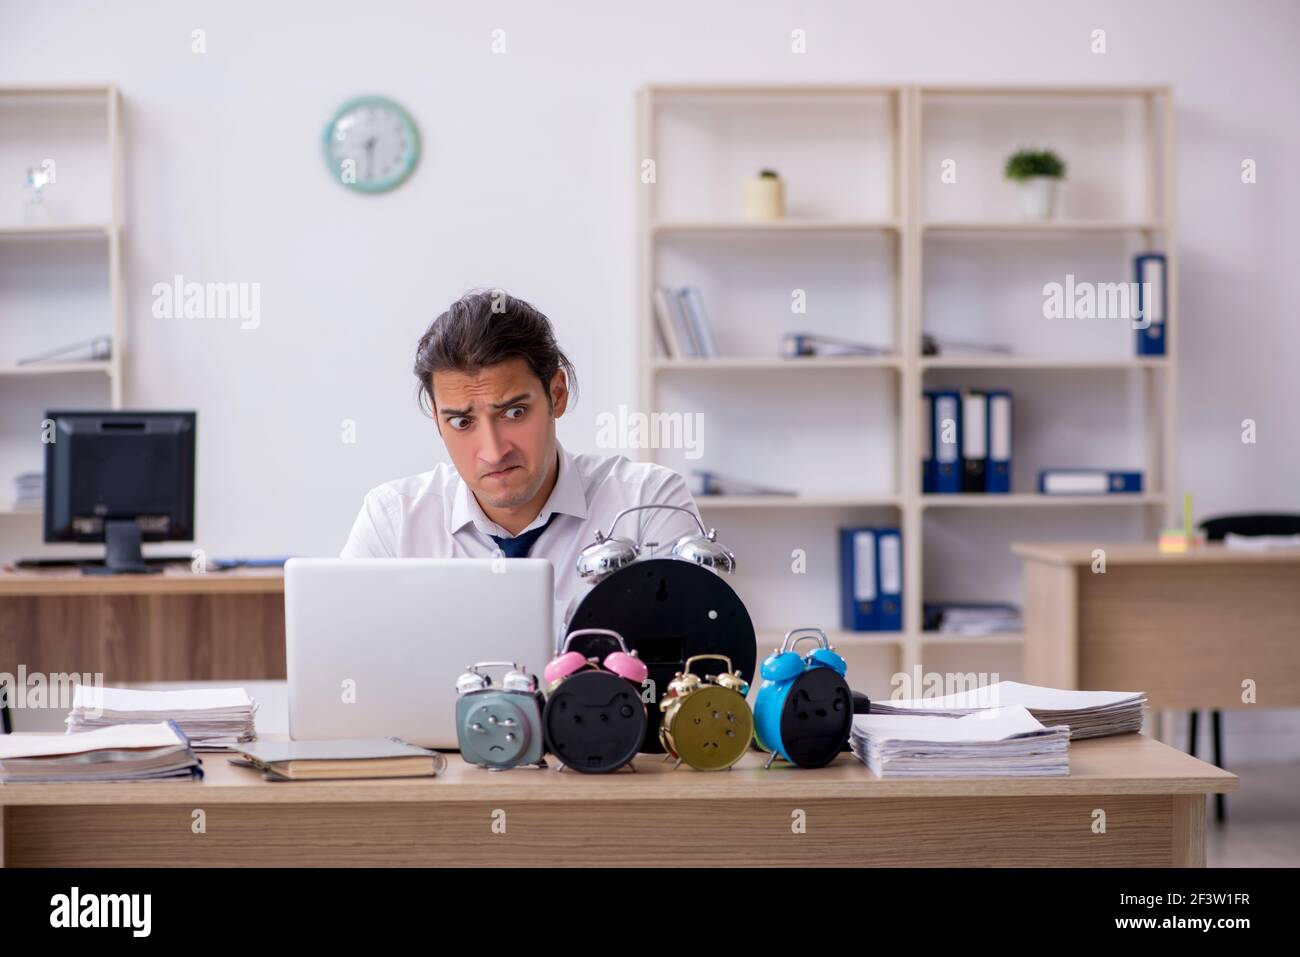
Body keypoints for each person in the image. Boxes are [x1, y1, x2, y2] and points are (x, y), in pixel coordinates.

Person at [341, 289, 703, 645]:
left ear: (556, 395)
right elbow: (345, 663)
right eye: (462, 423)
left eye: (514, 412)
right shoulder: (392, 521)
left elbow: (699, 675)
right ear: (437, 419)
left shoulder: (647, 504)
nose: (494, 452)